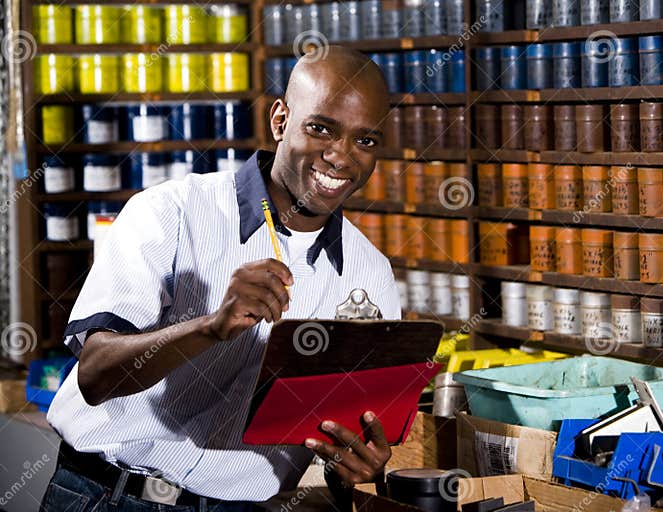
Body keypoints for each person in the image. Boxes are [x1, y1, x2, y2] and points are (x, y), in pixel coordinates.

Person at [41, 46, 400, 512]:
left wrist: (356, 463)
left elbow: (350, 426)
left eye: (365, 141)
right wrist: (210, 327)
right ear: (279, 121)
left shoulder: (370, 273)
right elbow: (94, 375)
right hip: (109, 496)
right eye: (321, 128)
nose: (341, 156)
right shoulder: (170, 212)